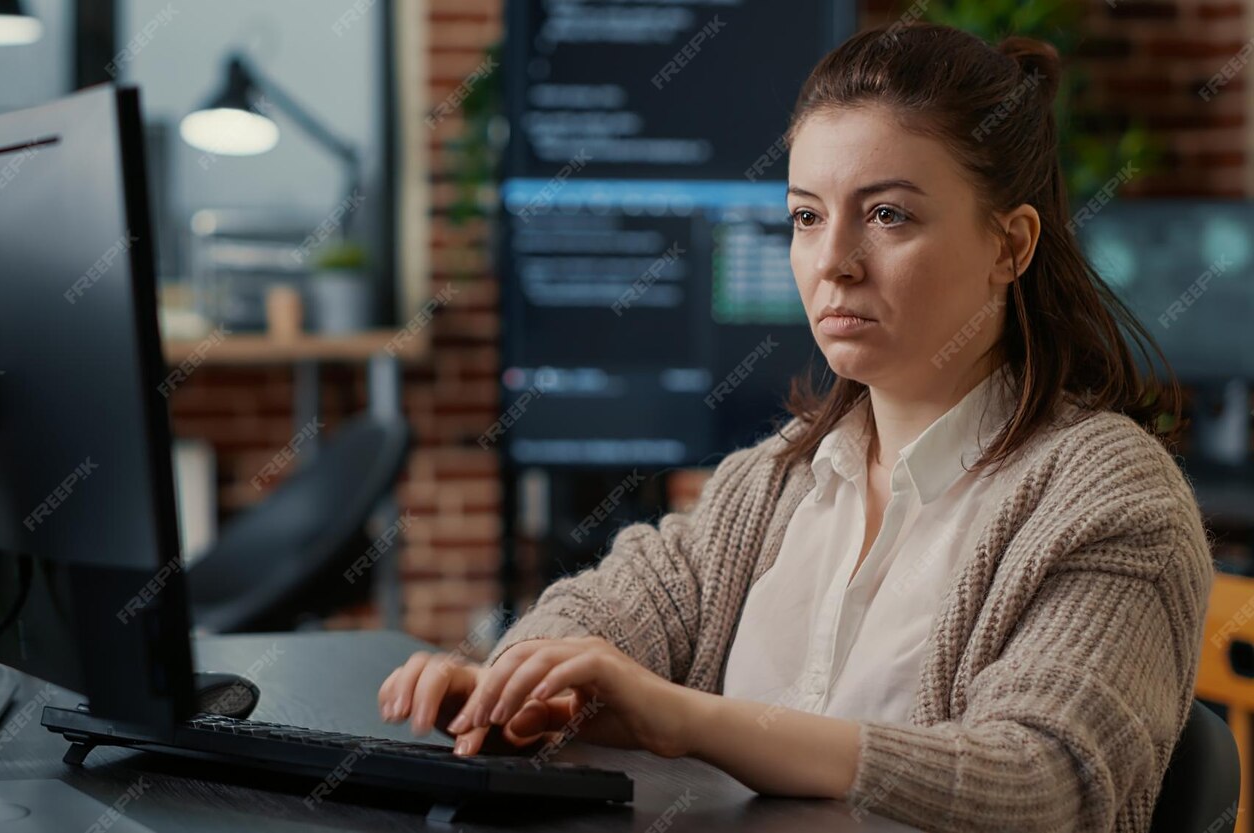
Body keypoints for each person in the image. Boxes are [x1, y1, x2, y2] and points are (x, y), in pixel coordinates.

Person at [378, 21, 1213, 833]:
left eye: (887, 215)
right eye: (807, 216)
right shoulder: (776, 477)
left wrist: (684, 719)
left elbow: (1044, 785)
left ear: (1011, 245)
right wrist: (518, 682)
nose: (833, 262)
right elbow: (606, 607)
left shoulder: (1113, 497)